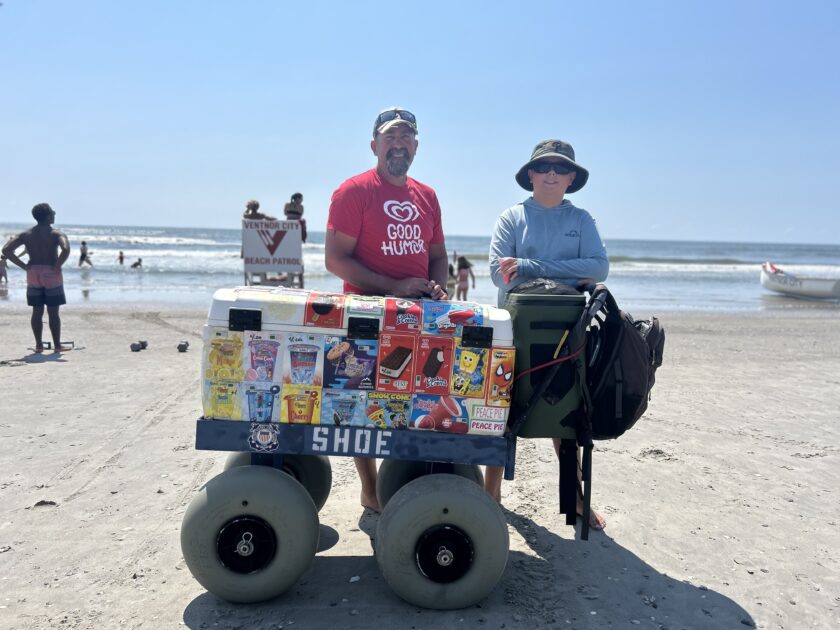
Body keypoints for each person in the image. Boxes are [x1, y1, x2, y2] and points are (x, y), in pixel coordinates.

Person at [325, 107, 449, 512]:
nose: (398, 145)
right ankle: (369, 487)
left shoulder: (427, 195)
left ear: (416, 146)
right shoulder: (354, 191)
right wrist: (394, 288)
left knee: (414, 399)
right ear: (374, 145)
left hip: (418, 319)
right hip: (365, 313)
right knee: (363, 402)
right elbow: (336, 260)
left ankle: (410, 475)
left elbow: (438, 255)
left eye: (406, 138)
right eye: (390, 138)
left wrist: (438, 286)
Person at [487, 139, 609, 530]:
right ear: (531, 175)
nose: (551, 174)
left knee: (566, 413)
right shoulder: (512, 217)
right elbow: (497, 274)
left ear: (572, 177)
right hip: (514, 328)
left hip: (567, 329)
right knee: (499, 408)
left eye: (560, 168)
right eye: (544, 168)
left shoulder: (582, 220)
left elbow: (599, 267)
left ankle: (574, 501)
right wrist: (569, 270)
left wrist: (528, 265)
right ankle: (491, 499)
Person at [2, 203, 71, 353]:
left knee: (37, 311)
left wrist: (23, 266)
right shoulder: (56, 234)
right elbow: (65, 249)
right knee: (53, 312)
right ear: (48, 217)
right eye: (53, 212)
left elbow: (6, 249)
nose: (54, 213)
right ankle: (57, 346)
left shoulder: (26, 234)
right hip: (51, 273)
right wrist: (58, 265)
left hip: (33, 273)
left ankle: (39, 345)